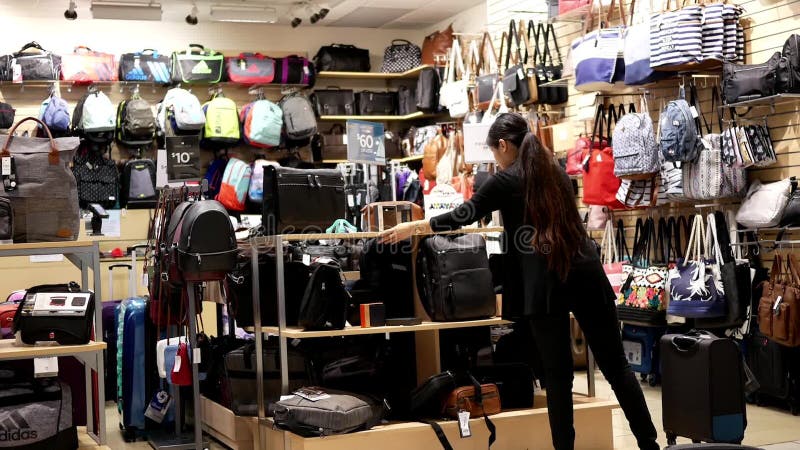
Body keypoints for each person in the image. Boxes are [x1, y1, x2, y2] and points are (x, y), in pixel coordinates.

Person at [378, 113, 659, 450]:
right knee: (617, 367)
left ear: (503, 145)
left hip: (547, 281)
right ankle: (649, 445)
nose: (496, 160)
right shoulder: (553, 170)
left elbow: (462, 216)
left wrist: (415, 227)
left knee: (558, 377)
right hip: (584, 269)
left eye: (495, 153)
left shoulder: (506, 180)